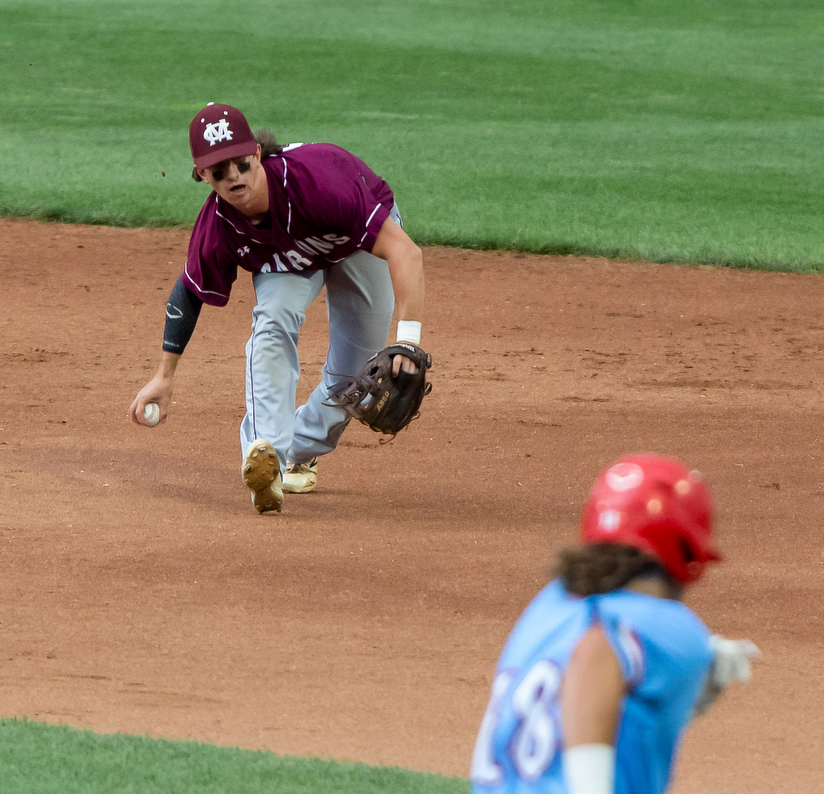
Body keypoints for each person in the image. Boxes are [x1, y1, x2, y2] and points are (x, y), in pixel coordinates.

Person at [129, 103, 425, 514]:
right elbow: (189, 291)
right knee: (271, 325)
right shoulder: (219, 223)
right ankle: (266, 456)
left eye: (240, 163)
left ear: (256, 153)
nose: (234, 175)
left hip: (355, 241)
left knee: (356, 380)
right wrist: (164, 376)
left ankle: (297, 450)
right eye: (219, 170)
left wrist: (408, 341)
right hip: (289, 257)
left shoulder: (319, 182)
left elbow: (405, 252)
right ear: (202, 175)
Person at [470, 453, 760, 794]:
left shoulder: (550, 603)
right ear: (686, 551)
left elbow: (602, 711)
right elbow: (595, 653)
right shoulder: (669, 626)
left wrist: (689, 676)